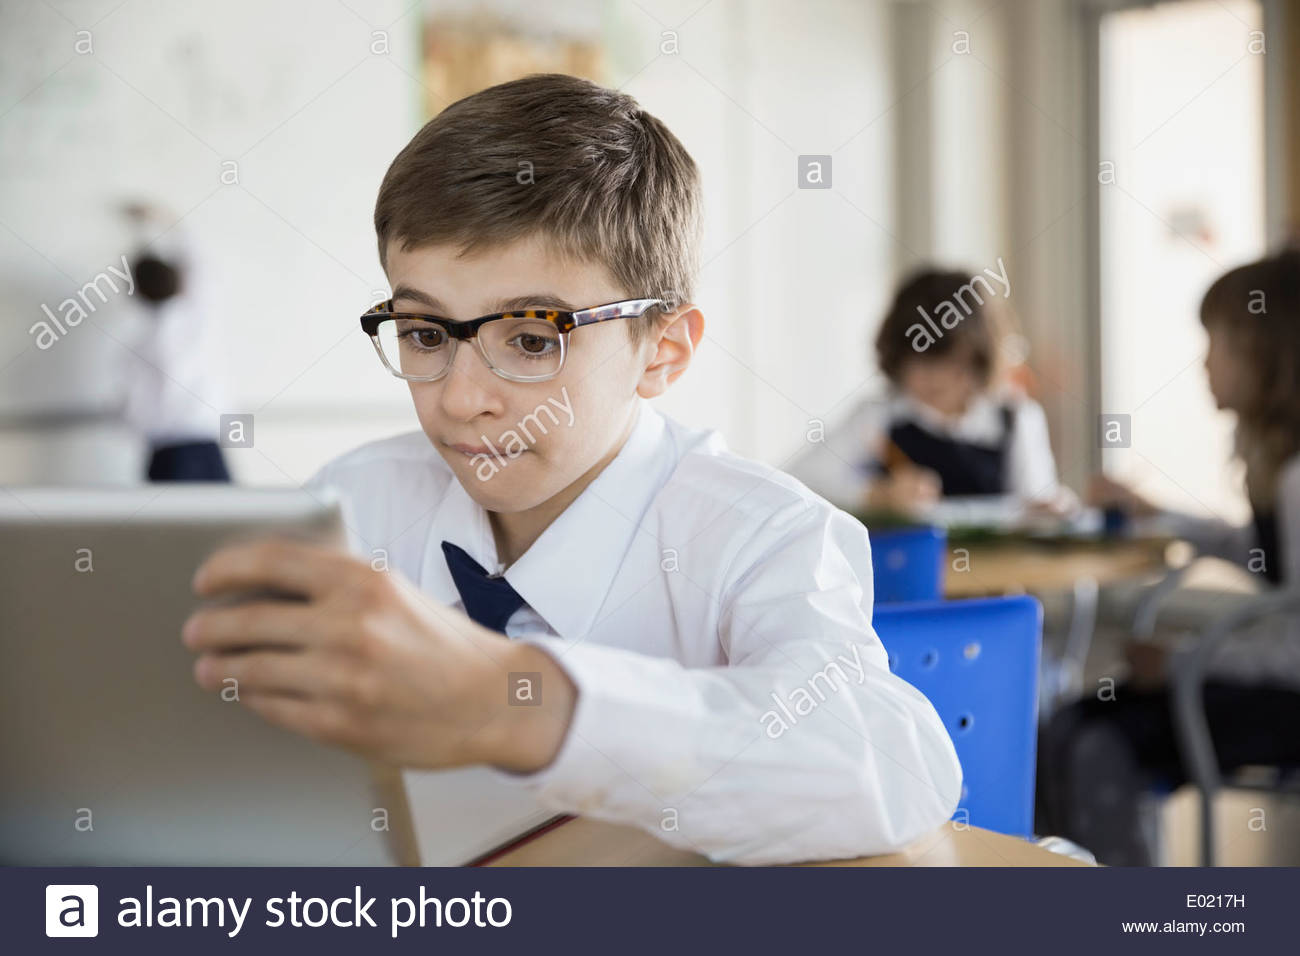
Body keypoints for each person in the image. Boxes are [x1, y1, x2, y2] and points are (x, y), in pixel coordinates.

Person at [177, 74, 962, 865]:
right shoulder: (353, 506)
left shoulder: (758, 535)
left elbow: (890, 765)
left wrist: (518, 702)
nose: (460, 398)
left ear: (663, 350)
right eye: (423, 334)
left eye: (530, 339)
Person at [1039, 247, 1300, 865]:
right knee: (1074, 728)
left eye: (1216, 344)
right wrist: (1154, 513)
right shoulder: (1282, 472)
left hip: (1288, 694)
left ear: (1267, 354)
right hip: (1274, 678)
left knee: (1091, 737)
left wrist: (1183, 661)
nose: (1203, 363)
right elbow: (1258, 551)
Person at [788, 268, 1065, 515]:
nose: (937, 380)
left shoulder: (1016, 417)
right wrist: (877, 494)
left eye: (953, 365)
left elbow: (1041, 498)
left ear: (980, 361)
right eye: (923, 364)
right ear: (898, 358)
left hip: (1002, 570)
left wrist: (1052, 508)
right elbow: (798, 481)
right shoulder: (879, 416)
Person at [122, 204, 231, 482]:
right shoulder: (197, 318)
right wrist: (161, 218)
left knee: (167, 524)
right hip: (202, 446)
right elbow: (198, 262)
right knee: (228, 522)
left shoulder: (139, 345)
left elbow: (134, 413)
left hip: (164, 454)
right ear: (178, 280)